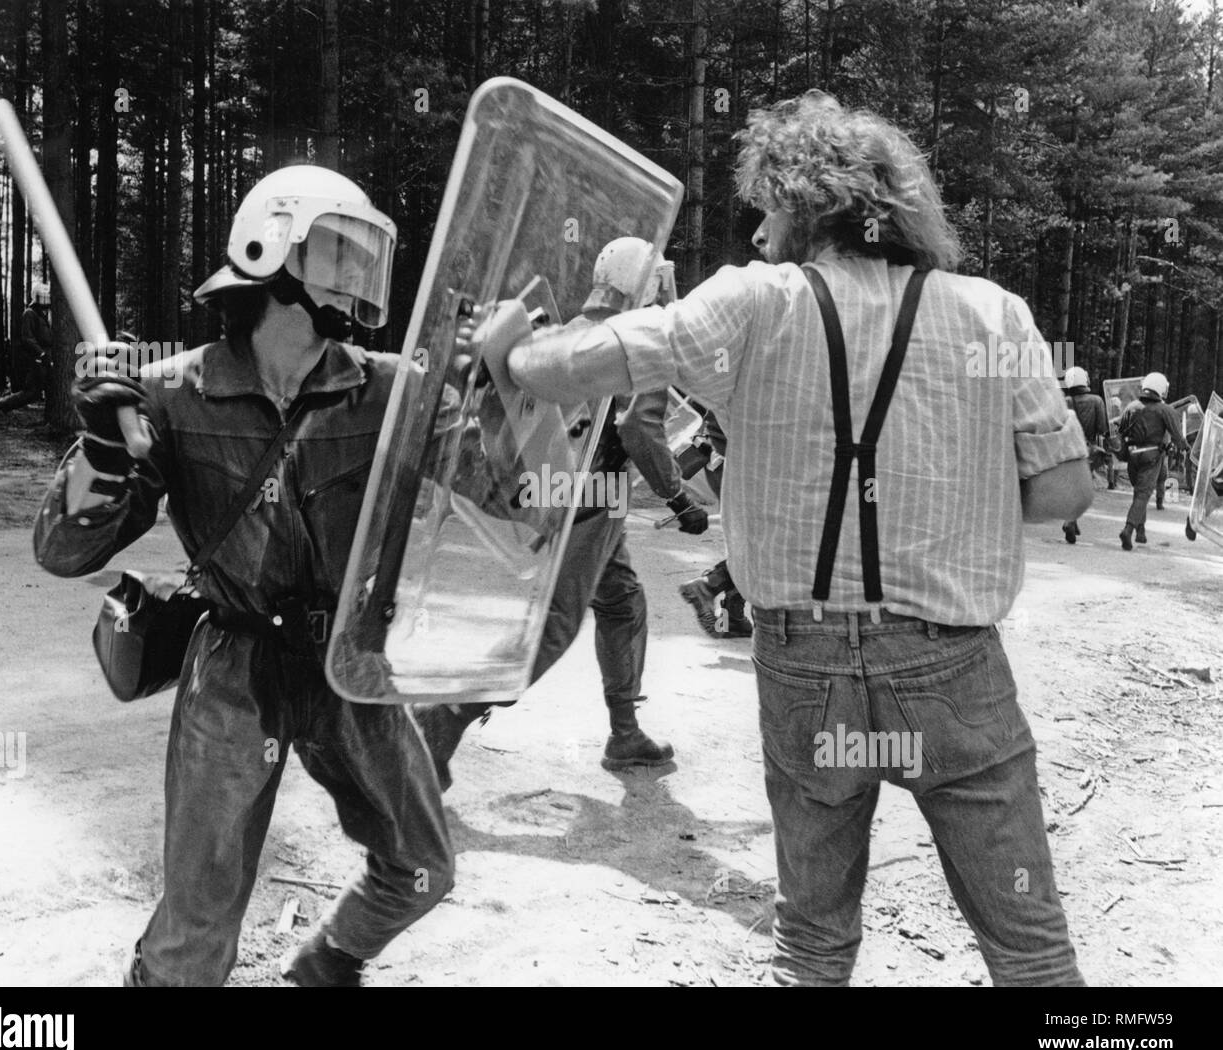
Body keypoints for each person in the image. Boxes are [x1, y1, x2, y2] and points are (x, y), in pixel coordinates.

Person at [483, 91, 1091, 986]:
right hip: (953, 672)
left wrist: (512, 357)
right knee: (1032, 948)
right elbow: (1064, 490)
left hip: (805, 670)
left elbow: (608, 357)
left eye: (767, 205)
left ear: (808, 201)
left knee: (810, 944)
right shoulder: (994, 314)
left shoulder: (753, 303)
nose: (759, 229)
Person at [32, 165, 455, 987]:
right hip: (233, 671)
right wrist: (103, 455)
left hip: (348, 664)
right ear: (271, 254)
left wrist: (525, 382)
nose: (360, 277)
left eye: (365, 255)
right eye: (338, 252)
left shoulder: (389, 390)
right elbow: (62, 550)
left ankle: (327, 963)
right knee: (195, 940)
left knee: (423, 866)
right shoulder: (165, 394)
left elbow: (499, 480)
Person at [415, 238, 707, 787]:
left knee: (621, 600)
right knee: (555, 625)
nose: (668, 292)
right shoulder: (639, 341)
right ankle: (444, 719)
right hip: (595, 495)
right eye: (661, 281)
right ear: (644, 284)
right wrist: (679, 497)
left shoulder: (569, 327)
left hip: (561, 487)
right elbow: (637, 429)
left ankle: (625, 733)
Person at [677, 411, 753, 637]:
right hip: (739, 462)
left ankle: (732, 618)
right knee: (768, 540)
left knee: (749, 538)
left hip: (720, 458)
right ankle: (709, 585)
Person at [1116, 372, 1188, 550]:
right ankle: (1128, 529)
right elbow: (1178, 438)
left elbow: (1120, 430)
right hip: (1152, 456)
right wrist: (1187, 448)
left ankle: (1141, 532)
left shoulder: (1132, 406)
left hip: (1133, 456)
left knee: (1139, 493)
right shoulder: (1165, 410)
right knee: (1143, 494)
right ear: (1161, 389)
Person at [0, 283, 52, 420]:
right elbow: (28, 338)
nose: (45, 303)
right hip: (37, 360)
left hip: (46, 358)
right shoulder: (30, 314)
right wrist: (41, 354)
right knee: (31, 393)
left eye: (46, 299)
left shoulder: (44, 315)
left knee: (48, 389)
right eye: (42, 299)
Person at [1059, 366, 1108, 543]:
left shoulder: (1064, 400)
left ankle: (1072, 520)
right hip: (1087, 449)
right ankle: (1070, 521)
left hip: (1067, 448)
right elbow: (1102, 428)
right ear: (1085, 381)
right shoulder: (1097, 401)